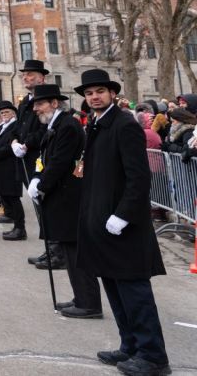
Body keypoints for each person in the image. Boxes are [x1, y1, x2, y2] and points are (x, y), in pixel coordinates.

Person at [74, 69, 170, 376]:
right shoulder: (98, 125)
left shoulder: (124, 124)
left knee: (134, 291)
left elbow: (139, 176)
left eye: (100, 91)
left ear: (112, 93)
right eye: (89, 93)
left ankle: (153, 356)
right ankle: (130, 345)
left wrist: (123, 214)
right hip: (102, 223)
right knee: (114, 288)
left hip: (123, 225)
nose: (94, 97)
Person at [27, 83, 102, 319]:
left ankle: (89, 302)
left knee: (76, 251)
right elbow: (47, 158)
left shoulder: (67, 126)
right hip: (62, 195)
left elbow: (60, 162)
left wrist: (41, 185)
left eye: (40, 104)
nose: (36, 109)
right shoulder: (56, 124)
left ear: (54, 103)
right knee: (70, 252)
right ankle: (81, 297)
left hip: (69, 197)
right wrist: (38, 178)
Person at [15, 60, 53, 263]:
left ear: (42, 78)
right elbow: (19, 126)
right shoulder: (25, 101)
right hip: (25, 158)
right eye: (24, 75)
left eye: (30, 74)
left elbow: (44, 129)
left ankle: (56, 249)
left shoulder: (46, 100)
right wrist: (14, 141)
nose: (26, 78)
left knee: (46, 204)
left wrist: (26, 144)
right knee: (38, 205)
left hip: (40, 156)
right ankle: (50, 246)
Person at [0, 100, 26, 241]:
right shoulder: (2, 126)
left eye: (7, 112)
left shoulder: (15, 125)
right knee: (5, 195)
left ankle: (20, 228)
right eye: (2, 112)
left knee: (13, 197)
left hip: (11, 166)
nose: (4, 114)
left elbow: (9, 147)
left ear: (14, 113)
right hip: (0, 166)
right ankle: (13, 221)